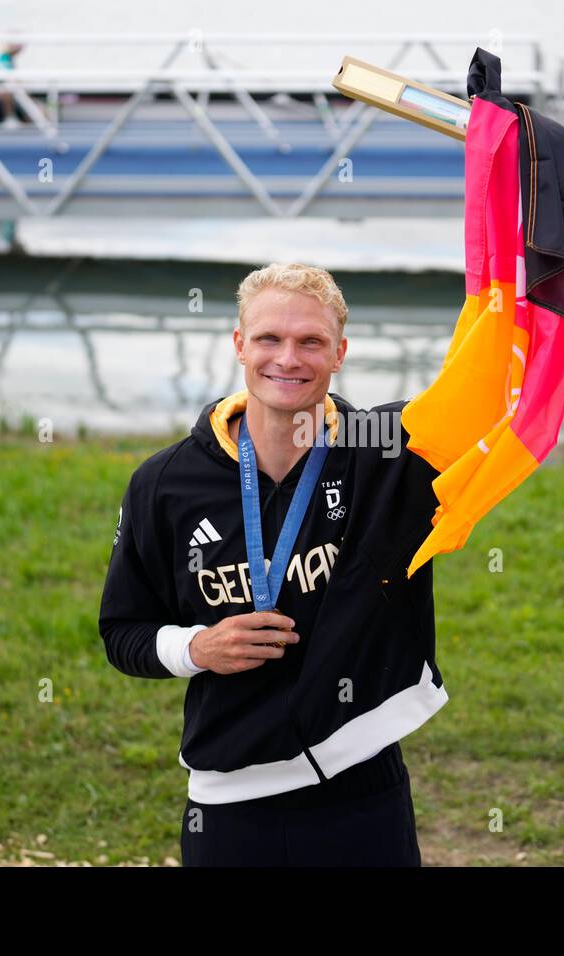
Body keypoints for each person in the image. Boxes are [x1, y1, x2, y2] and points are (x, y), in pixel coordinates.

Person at [99, 262, 446, 866]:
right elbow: (122, 631)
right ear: (239, 344)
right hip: (228, 798)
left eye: (311, 341)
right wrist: (197, 649)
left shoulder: (391, 452)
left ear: (340, 352)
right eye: (269, 339)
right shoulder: (164, 483)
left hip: (361, 781)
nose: (288, 358)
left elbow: (491, 393)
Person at [0, 42, 25, 128]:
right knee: (5, 90)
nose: (19, 49)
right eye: (17, 46)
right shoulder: (2, 59)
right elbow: (8, 79)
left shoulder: (10, 60)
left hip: (15, 102)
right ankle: (9, 118)